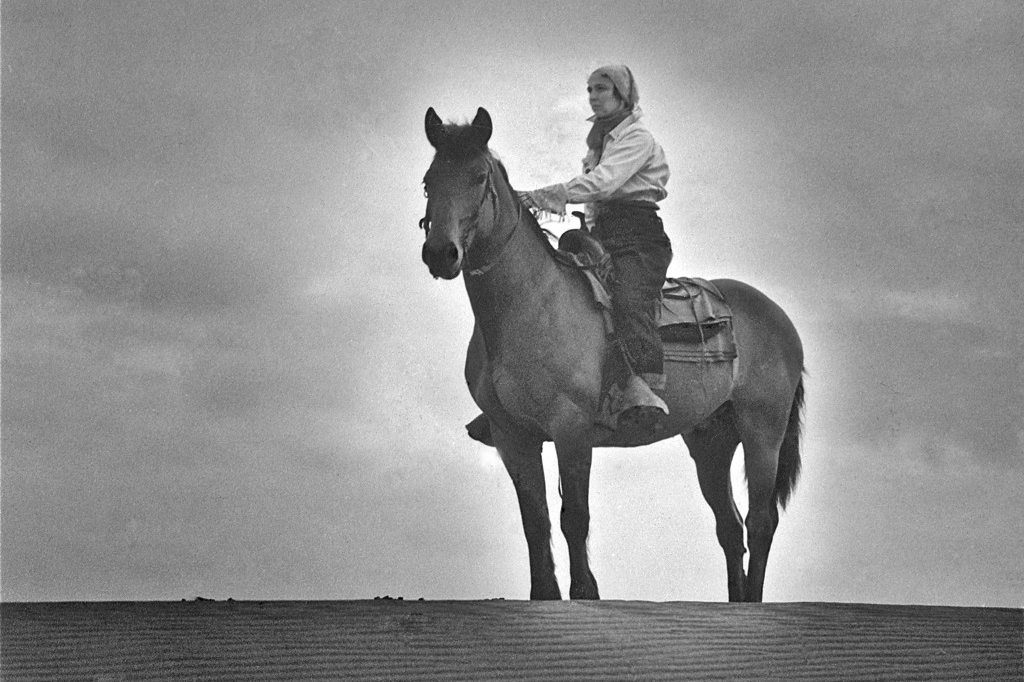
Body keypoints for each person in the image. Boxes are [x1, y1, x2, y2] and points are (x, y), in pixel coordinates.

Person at [519, 64, 673, 426]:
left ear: (622, 93)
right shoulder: (600, 144)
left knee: (629, 299)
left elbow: (604, 183)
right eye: (589, 89)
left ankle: (644, 388)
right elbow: (595, 198)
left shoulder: (637, 139)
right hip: (602, 233)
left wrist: (545, 196)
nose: (593, 96)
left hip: (638, 237)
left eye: (601, 89)